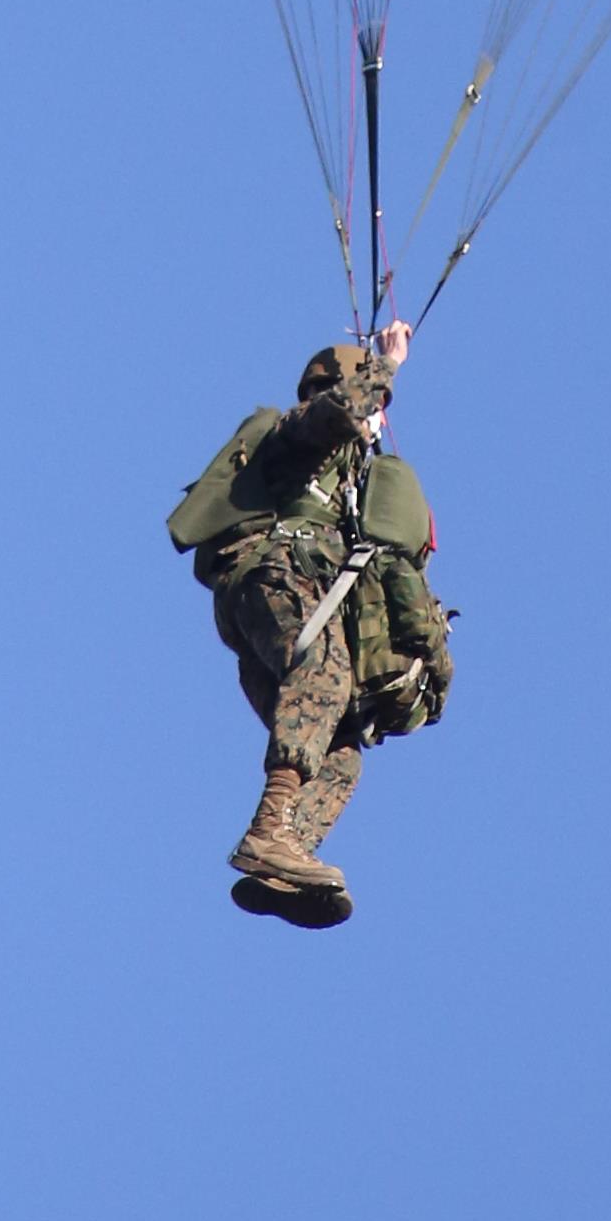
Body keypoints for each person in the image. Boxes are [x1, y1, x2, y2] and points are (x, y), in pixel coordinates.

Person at [166, 321, 454, 925]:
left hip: (286, 602)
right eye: (370, 403)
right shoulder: (295, 433)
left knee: (343, 747)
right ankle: (272, 831)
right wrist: (387, 366)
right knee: (324, 676)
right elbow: (338, 415)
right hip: (273, 578)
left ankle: (283, 857)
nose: (376, 417)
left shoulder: (348, 486)